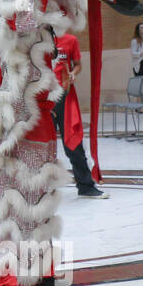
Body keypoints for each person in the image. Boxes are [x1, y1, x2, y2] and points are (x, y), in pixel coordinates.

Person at [52, 31, 108, 197]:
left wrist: (73, 73)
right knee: (42, 145)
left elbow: (77, 64)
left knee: (74, 142)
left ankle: (85, 186)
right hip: (42, 98)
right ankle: (40, 189)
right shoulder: (37, 38)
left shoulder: (70, 40)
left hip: (65, 96)